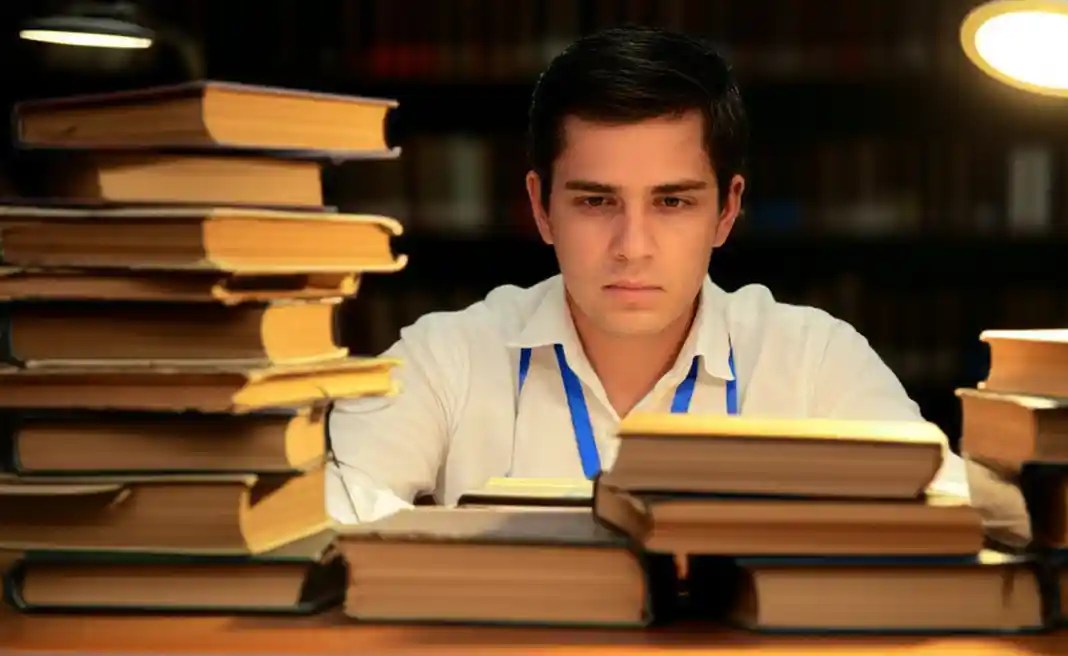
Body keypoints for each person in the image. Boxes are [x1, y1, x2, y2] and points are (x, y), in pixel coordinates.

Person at [325, 25, 972, 524]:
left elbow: (953, 517)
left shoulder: (812, 358)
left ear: (726, 211)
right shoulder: (447, 358)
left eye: (672, 202)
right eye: (596, 201)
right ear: (540, 208)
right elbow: (328, 523)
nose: (631, 247)